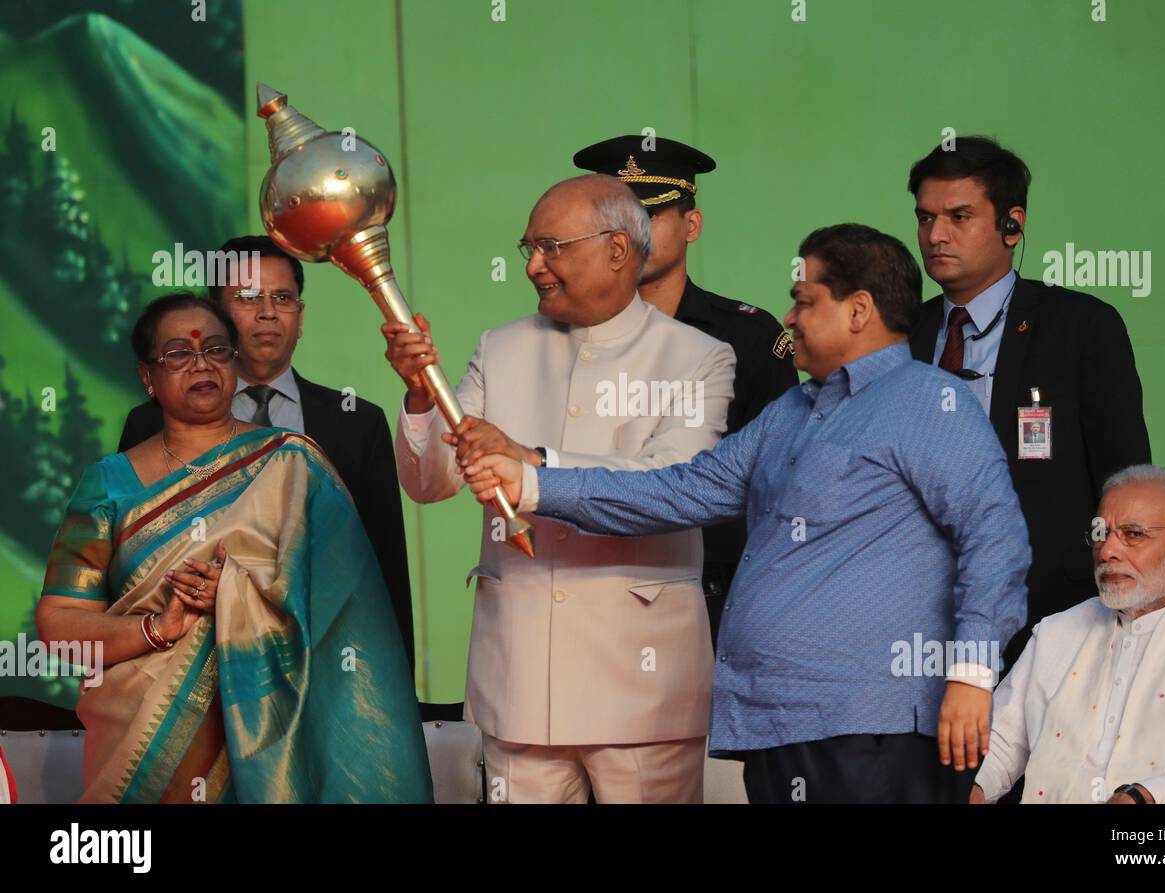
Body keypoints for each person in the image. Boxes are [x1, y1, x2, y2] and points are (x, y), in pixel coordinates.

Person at [463, 223, 1029, 803]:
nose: (790, 319)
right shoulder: (791, 411)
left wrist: (971, 674)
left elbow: (996, 541)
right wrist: (534, 482)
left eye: (805, 302)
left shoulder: (928, 401)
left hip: (874, 725)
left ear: (859, 311)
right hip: (779, 726)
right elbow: (681, 491)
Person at [382, 175, 735, 803]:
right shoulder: (502, 346)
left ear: (618, 251)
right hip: (520, 679)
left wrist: (533, 466)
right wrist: (418, 394)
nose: (534, 266)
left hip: (641, 686)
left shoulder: (698, 357)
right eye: (529, 249)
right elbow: (430, 481)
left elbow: (676, 485)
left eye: (551, 247)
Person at [37, 293, 432, 804]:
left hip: (278, 730)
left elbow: (349, 613)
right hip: (146, 740)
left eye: (217, 350)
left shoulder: (290, 464)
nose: (201, 364)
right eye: (178, 354)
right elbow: (61, 625)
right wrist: (158, 629)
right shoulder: (108, 486)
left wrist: (242, 595)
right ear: (147, 377)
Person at [906, 136, 1151, 671]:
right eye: (925, 218)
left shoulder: (1080, 326)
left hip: (1055, 621)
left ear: (1011, 225)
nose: (936, 235)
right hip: (917, 625)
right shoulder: (899, 333)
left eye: (959, 216)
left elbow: (1127, 481)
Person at [117, 236, 415, 676]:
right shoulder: (151, 423)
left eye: (283, 298)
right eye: (248, 298)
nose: (267, 312)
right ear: (213, 316)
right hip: (187, 670)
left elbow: (383, 571)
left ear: (301, 316)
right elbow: (129, 570)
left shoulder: (356, 422)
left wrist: (394, 684)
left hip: (324, 668)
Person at [574, 136, 797, 641]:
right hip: (585, 595)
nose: (628, 237)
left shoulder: (748, 336)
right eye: (612, 222)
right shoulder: (563, 337)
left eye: (647, 217)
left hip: (715, 601)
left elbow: (779, 486)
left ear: (691, 225)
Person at [971, 465, 1165, 804]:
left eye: (1133, 534)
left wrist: (1146, 796)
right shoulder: (1056, 631)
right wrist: (971, 788)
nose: (1107, 551)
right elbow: (1000, 743)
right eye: (1101, 533)